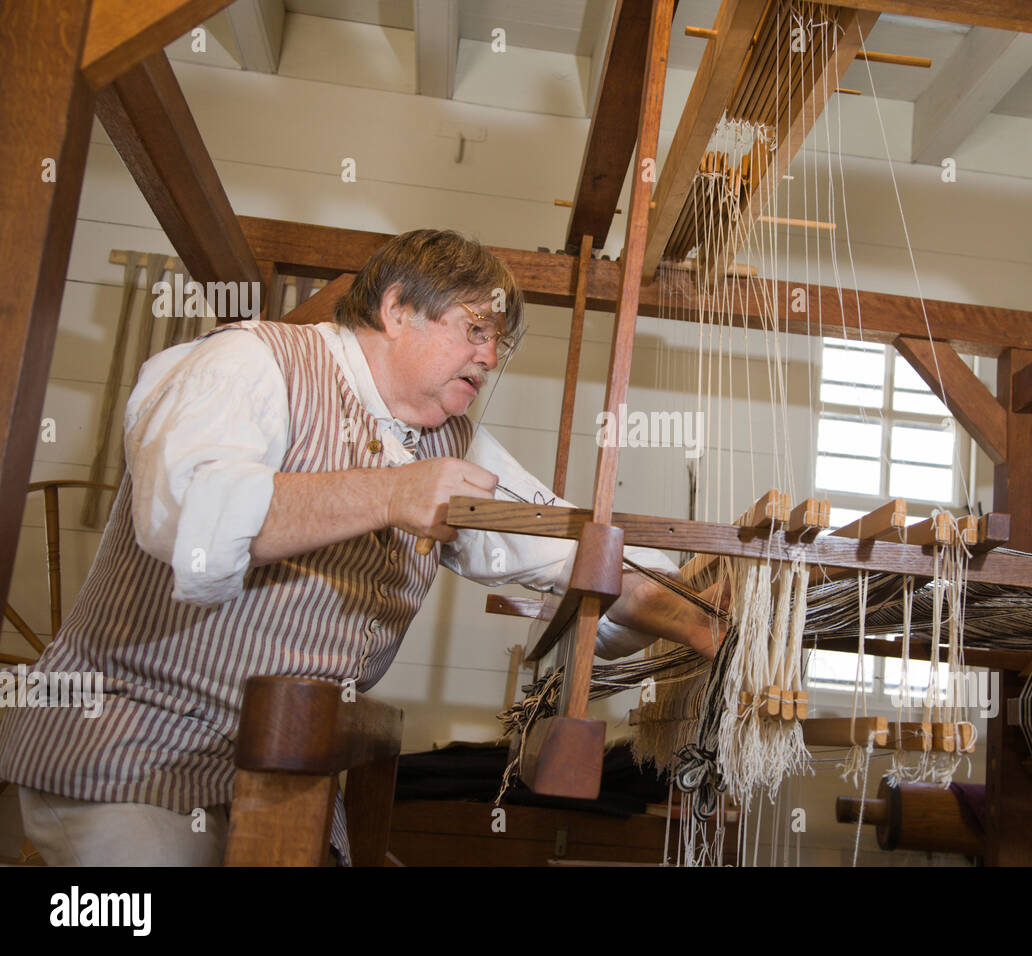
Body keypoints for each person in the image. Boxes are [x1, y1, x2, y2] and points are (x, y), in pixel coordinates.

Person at [0, 229, 719, 865]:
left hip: (288, 770)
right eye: (474, 329)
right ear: (397, 307)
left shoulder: (453, 438)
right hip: (131, 754)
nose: (490, 355)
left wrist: (692, 616)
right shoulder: (252, 362)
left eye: (498, 342)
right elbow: (188, 519)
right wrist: (387, 494)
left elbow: (562, 545)